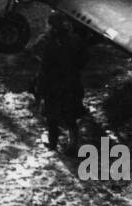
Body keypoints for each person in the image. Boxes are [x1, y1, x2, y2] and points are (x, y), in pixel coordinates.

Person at [32, 13, 90, 152]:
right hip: (72, 83)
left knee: (52, 118)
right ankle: (73, 145)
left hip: (53, 86)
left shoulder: (48, 44)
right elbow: (84, 59)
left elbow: (44, 69)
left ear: (51, 26)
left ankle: (53, 145)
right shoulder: (76, 40)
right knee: (71, 116)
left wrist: (39, 94)